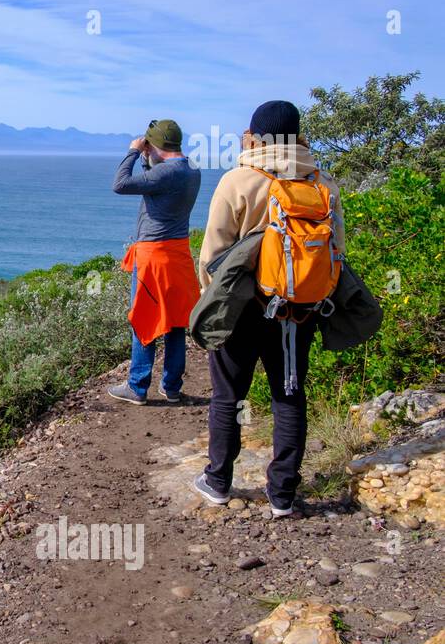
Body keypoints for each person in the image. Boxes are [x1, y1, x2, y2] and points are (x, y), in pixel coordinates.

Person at [193, 101, 346, 518]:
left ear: (255, 136)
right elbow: (337, 254)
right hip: (298, 313)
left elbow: (213, 254)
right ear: (297, 136)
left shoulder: (239, 180)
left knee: (228, 395)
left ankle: (218, 481)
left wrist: (213, 303)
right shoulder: (323, 183)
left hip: (243, 309)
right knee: (289, 395)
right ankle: (282, 494)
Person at [108, 119, 202, 405]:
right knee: (176, 320)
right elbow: (157, 181)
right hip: (179, 254)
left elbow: (120, 184)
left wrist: (134, 152)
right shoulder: (191, 170)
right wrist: (151, 157)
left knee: (145, 317)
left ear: (156, 144)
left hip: (153, 257)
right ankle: (171, 386)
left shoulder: (166, 174)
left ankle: (137, 387)